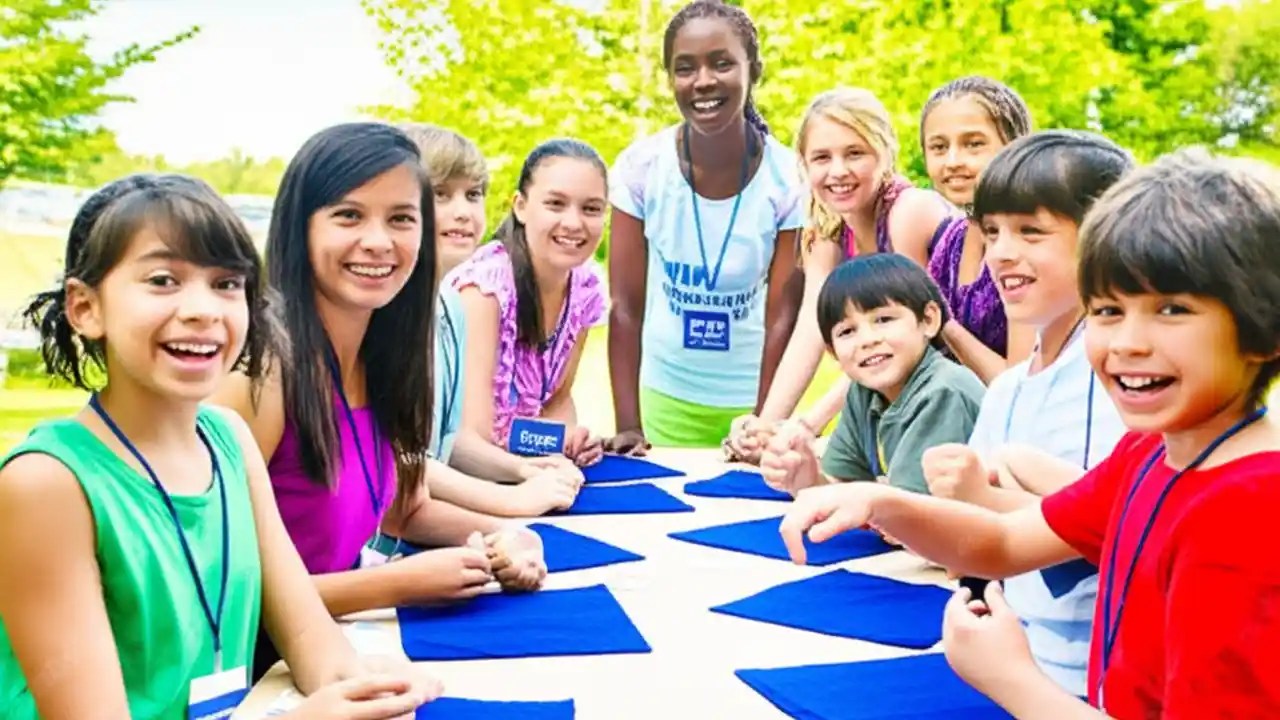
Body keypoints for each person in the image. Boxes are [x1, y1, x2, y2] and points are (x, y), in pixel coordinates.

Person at [780, 149, 1280, 717]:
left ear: (1264, 329)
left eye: (1171, 311)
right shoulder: (1150, 452)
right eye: (1108, 311)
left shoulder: (1248, 513)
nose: (1127, 343)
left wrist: (1011, 680)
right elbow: (1006, 542)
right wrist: (879, 502)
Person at [0, 174, 439, 719]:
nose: (204, 309)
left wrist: (377, 691)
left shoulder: (229, 440)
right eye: (163, 280)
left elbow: (311, 640)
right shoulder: (47, 484)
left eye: (227, 283)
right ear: (85, 308)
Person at [209, 123, 546, 681]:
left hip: (337, 656)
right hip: (254, 683)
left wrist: (502, 538)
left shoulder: (389, 358)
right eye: (349, 215)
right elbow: (218, 588)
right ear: (299, 226)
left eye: (401, 219)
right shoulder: (260, 372)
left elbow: (405, 508)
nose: (378, 241)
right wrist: (394, 584)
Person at [924, 130, 1133, 697]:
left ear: (1105, 239)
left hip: (1085, 684)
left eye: (1030, 231)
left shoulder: (1125, 381)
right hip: (1009, 663)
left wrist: (982, 497)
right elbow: (970, 547)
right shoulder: (1007, 389)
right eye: (991, 231)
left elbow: (1120, 535)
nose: (1000, 252)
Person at [605, 0, 806, 452]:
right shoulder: (642, 167)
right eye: (685, 68)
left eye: (721, 63)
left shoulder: (788, 178)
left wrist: (762, 424)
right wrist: (628, 425)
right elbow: (624, 307)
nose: (703, 81)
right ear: (670, 79)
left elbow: (783, 316)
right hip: (664, 401)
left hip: (752, 400)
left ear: (753, 69)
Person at [724, 87, 955, 462]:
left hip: (956, 389)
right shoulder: (826, 229)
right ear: (804, 164)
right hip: (900, 391)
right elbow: (810, 330)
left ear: (884, 153)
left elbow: (901, 342)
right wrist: (765, 427)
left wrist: (808, 424)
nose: (838, 171)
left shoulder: (908, 212)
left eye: (854, 153)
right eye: (821, 157)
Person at [398, 122, 581, 516]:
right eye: (440, 194)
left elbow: (449, 444)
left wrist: (525, 469)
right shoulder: (385, 317)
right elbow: (399, 463)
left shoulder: (447, 307)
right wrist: (510, 502)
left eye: (473, 195)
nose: (463, 213)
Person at [760, 254, 984, 498]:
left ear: (928, 320)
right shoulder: (863, 391)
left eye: (884, 319)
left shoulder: (943, 392)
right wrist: (807, 480)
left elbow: (914, 510)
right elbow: (841, 484)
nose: (867, 340)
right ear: (833, 352)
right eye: (847, 331)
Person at [448, 138, 608, 467]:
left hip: (525, 469)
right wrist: (537, 470)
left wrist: (569, 443)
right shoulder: (484, 290)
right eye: (556, 204)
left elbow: (558, 402)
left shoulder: (585, 286)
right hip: (463, 472)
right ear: (520, 206)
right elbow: (470, 438)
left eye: (591, 209)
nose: (574, 223)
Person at [922, 76, 1037, 383]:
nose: (953, 161)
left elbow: (1019, 384)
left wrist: (945, 325)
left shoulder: (1029, 241)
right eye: (939, 147)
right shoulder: (952, 238)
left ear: (1015, 147)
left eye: (973, 144)